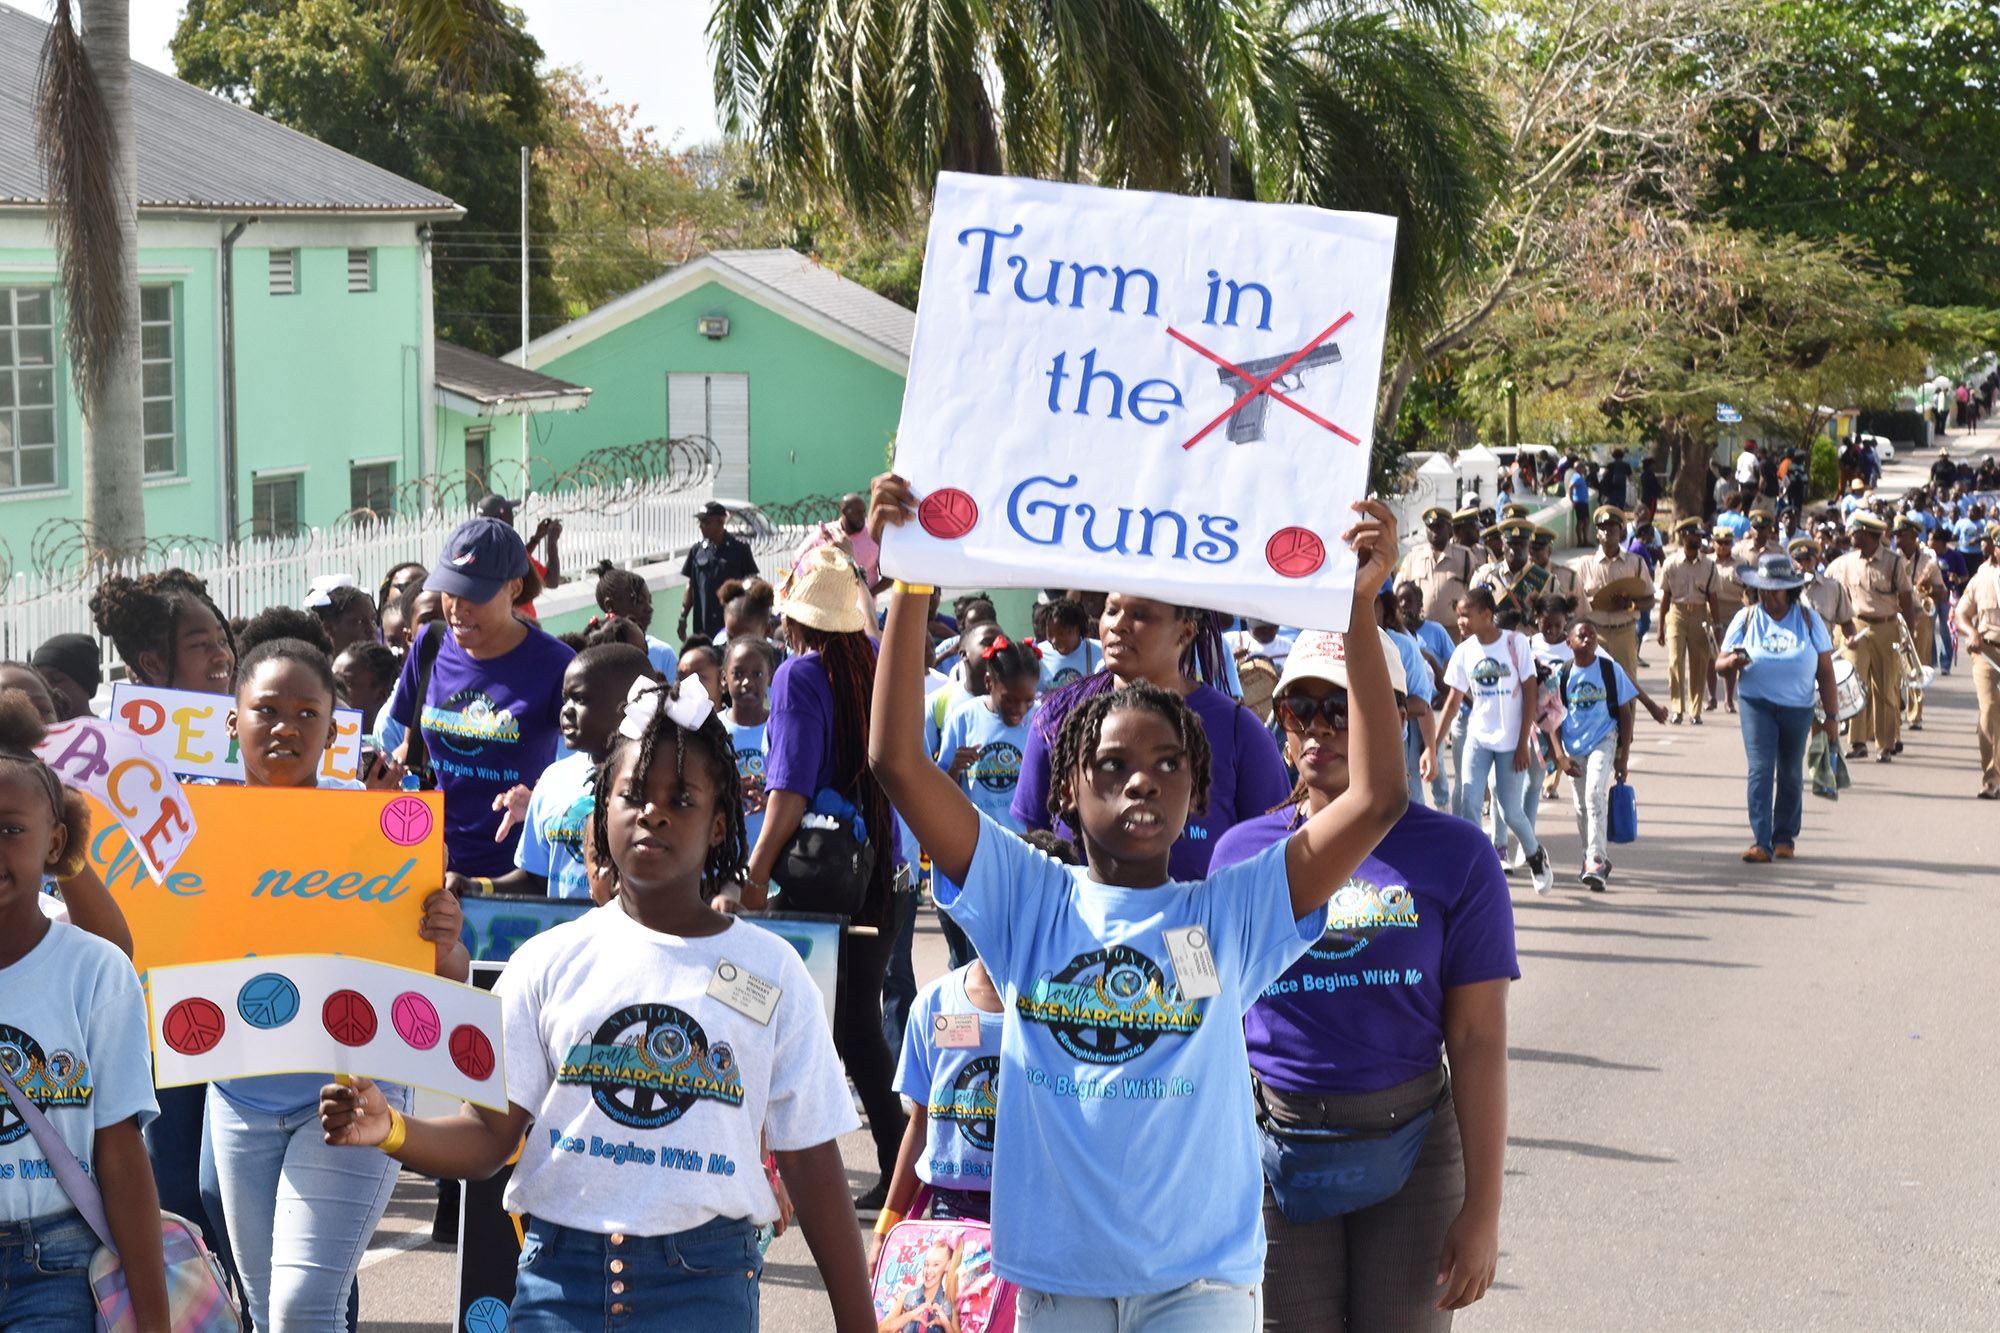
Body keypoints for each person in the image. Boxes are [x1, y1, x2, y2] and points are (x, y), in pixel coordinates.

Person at [867, 473, 1408, 1329]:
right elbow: (898, 759)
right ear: (1069, 787)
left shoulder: (1233, 913)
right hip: (1057, 1282)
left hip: (1200, 1285)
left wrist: (1358, 613)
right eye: (1112, 766)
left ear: (1198, 793)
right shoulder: (1024, 897)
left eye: (1167, 765)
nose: (1140, 782)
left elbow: (1377, 798)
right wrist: (912, 578)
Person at [319, 678, 875, 1331]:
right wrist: (392, 1129)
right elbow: (490, 1136)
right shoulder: (548, 961)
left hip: (705, 1290)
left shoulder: (772, 971)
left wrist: (858, 1323)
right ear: (602, 811)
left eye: (682, 799)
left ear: (719, 822)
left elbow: (812, 1161)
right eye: (633, 795)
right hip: (560, 1286)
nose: (654, 813)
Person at [1212, 630, 1512, 1329]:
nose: (1320, 727)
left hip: (1412, 1154)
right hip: (1269, 1150)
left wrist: (1484, 1209)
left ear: (1396, 715)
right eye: (1300, 707)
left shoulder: (1458, 856)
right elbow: (1204, 1014)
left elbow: (1476, 1038)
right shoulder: (1241, 852)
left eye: (1342, 706)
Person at [207, 637, 465, 1332]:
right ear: (233, 720)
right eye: (266, 709)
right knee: (264, 1311)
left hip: (351, 1097)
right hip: (237, 1098)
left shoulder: (382, 823)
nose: (285, 726)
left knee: (300, 1309)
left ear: (333, 726)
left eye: (306, 711)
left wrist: (442, 933)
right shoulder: (198, 830)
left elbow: (452, 977)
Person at [728, 543, 906, 1208]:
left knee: (773, 1022)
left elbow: (790, 789)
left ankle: (771, 1177)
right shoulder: (871, 663)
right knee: (856, 1028)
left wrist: (754, 871)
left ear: (794, 616)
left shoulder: (801, 675)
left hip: (815, 879)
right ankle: (894, 1164)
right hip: (875, 874)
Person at [0, 693, 170, 1332]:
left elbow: (122, 1155)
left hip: (61, 1270)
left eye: (11, 829)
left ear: (56, 843)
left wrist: (154, 1320)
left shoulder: (96, 973)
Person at [1011, 593, 1291, 880]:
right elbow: (1040, 848)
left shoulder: (1239, 731)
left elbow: (1271, 861)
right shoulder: (1058, 718)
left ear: (1185, 632)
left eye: (1139, 615)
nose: (1118, 625)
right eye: (1112, 610)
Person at [389, 518, 574, 874]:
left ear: (515, 588)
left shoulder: (558, 666)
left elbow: (597, 775)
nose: (458, 608)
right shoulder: (429, 643)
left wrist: (538, 802)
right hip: (429, 868)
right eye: (450, 591)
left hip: (517, 876)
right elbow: (413, 749)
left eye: (474, 594)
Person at [458, 644, 657, 899]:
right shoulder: (553, 779)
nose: (566, 710)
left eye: (581, 699)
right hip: (568, 937)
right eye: (566, 699)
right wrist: (474, 887)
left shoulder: (660, 783)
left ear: (628, 706)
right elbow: (536, 879)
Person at [875, 952, 1005, 1249]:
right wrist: (886, 1226)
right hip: (949, 1213)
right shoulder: (935, 1002)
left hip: (1028, 1212)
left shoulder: (1049, 1011)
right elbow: (920, 1124)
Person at [1715, 554, 1839, 862]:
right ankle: (1761, 841)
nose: (1769, 596)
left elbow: (1825, 671)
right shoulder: (1745, 618)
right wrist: (1732, 662)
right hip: (1757, 704)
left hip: (1799, 707)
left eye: (1776, 590)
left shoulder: (1809, 619)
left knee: (1790, 772)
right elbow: (1720, 663)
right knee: (1760, 770)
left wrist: (1832, 718)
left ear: (1791, 591)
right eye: (1763, 589)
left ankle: (1784, 837)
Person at [1435, 588, 1555, 894]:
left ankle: (1536, 856)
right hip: (1479, 736)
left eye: (1466, 615)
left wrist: (1521, 745)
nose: (1460, 621)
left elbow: (1529, 692)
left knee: (1509, 811)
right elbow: (1452, 702)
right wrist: (1432, 744)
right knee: (1469, 802)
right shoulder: (1464, 651)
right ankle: (1476, 869)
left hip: (1512, 741)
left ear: (1486, 615)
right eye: (1459, 614)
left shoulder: (1515, 644)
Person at [1826, 513, 1916, 762]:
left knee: (1885, 687)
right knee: (1854, 683)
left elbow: (1906, 599)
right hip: (1856, 626)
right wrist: (1843, 630)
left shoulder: (1893, 562)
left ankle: (1885, 745)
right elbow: (1839, 594)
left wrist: (1908, 634)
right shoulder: (1846, 562)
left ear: (1865, 533)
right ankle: (1857, 742)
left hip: (1886, 627)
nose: (1850, 536)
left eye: (1854, 532)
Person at [1555, 619, 1637, 890]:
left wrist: (1622, 757)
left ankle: (1596, 860)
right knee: (1581, 806)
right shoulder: (1562, 675)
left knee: (1593, 795)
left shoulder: (1609, 670)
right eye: (1581, 635)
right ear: (1569, 643)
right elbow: (1550, 717)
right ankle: (1590, 855)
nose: (1588, 640)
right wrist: (1560, 756)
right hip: (1573, 747)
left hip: (1604, 739)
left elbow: (1625, 712)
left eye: (1592, 635)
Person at [1575, 507, 1654, 679]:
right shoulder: (1584, 565)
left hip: (1624, 633)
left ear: (1621, 532)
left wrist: (1630, 605)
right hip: (1594, 634)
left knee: (1627, 684)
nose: (1607, 531)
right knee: (1594, 685)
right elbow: (1575, 604)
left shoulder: (1635, 563)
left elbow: (1650, 600)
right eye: (1603, 527)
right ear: (1596, 533)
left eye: (1613, 527)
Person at [1656, 518, 1722, 724]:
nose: (1698, 540)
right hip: (1677, 613)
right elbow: (1666, 596)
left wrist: (1717, 625)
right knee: (1675, 661)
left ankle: (1695, 711)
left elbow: (1713, 597)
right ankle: (1677, 709)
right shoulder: (1670, 564)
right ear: (1684, 537)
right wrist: (1660, 628)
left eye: (1700, 536)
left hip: (1701, 613)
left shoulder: (1710, 566)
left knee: (1699, 662)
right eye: (1694, 536)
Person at [721, 638, 778, 860]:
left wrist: (771, 803)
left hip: (772, 858)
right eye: (738, 673)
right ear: (724, 678)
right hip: (726, 856)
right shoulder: (715, 730)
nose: (747, 682)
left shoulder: (780, 727)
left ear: (770, 676)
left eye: (757, 674)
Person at [1952, 554, 2000, 799]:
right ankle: (1992, 779)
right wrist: (1971, 632)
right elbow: (1960, 614)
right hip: (1986, 651)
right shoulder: (1981, 580)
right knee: (1990, 708)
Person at [1895, 517, 1950, 731]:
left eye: (1901, 535)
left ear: (1913, 537)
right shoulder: (1892, 558)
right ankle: (1895, 704)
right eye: (1896, 535)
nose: (1896, 538)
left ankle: (1915, 715)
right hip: (1897, 618)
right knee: (1897, 664)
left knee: (1919, 665)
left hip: (1922, 618)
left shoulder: (1928, 560)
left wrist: (1930, 588)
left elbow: (1943, 593)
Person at [680, 501, 761, 641]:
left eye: (705, 521)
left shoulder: (740, 550)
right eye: (700, 521)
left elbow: (752, 585)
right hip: (703, 630)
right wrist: (683, 617)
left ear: (720, 521)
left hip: (730, 629)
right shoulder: (697, 551)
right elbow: (691, 586)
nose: (701, 526)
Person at [1398, 507, 1477, 639]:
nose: (1435, 532)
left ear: (1449, 530)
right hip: (1420, 630)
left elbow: (1475, 591)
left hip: (1453, 631)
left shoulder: (1464, 556)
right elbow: (1399, 589)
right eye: (1431, 527)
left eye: (1439, 527)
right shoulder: (1414, 556)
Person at [592, 561, 678, 679]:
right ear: (610, 606)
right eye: (639, 601)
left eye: (649, 601)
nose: (649, 609)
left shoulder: (662, 653)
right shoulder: (591, 657)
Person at [1470, 519, 1550, 624]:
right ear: (1503, 546)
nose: (1514, 550)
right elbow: (1471, 611)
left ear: (1529, 546)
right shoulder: (1484, 575)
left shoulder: (1546, 580)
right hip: (1493, 639)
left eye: (1521, 544)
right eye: (1510, 544)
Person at [333, 641, 400, 735]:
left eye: (347, 682)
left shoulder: (392, 744)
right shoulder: (323, 740)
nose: (335, 689)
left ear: (381, 695)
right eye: (331, 680)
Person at [30, 632, 101, 721]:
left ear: (85, 685)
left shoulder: (111, 732)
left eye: (56, 679)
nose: (46, 688)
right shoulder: (32, 733)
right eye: (40, 681)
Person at [1034, 598, 1101, 690]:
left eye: (1061, 634)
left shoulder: (1100, 651)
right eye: (1049, 634)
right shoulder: (1038, 654)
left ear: (1076, 629)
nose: (1054, 640)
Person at [306, 578, 379, 655]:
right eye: (359, 622)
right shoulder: (309, 666)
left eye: (373, 621)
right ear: (327, 628)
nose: (371, 630)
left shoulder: (384, 665)